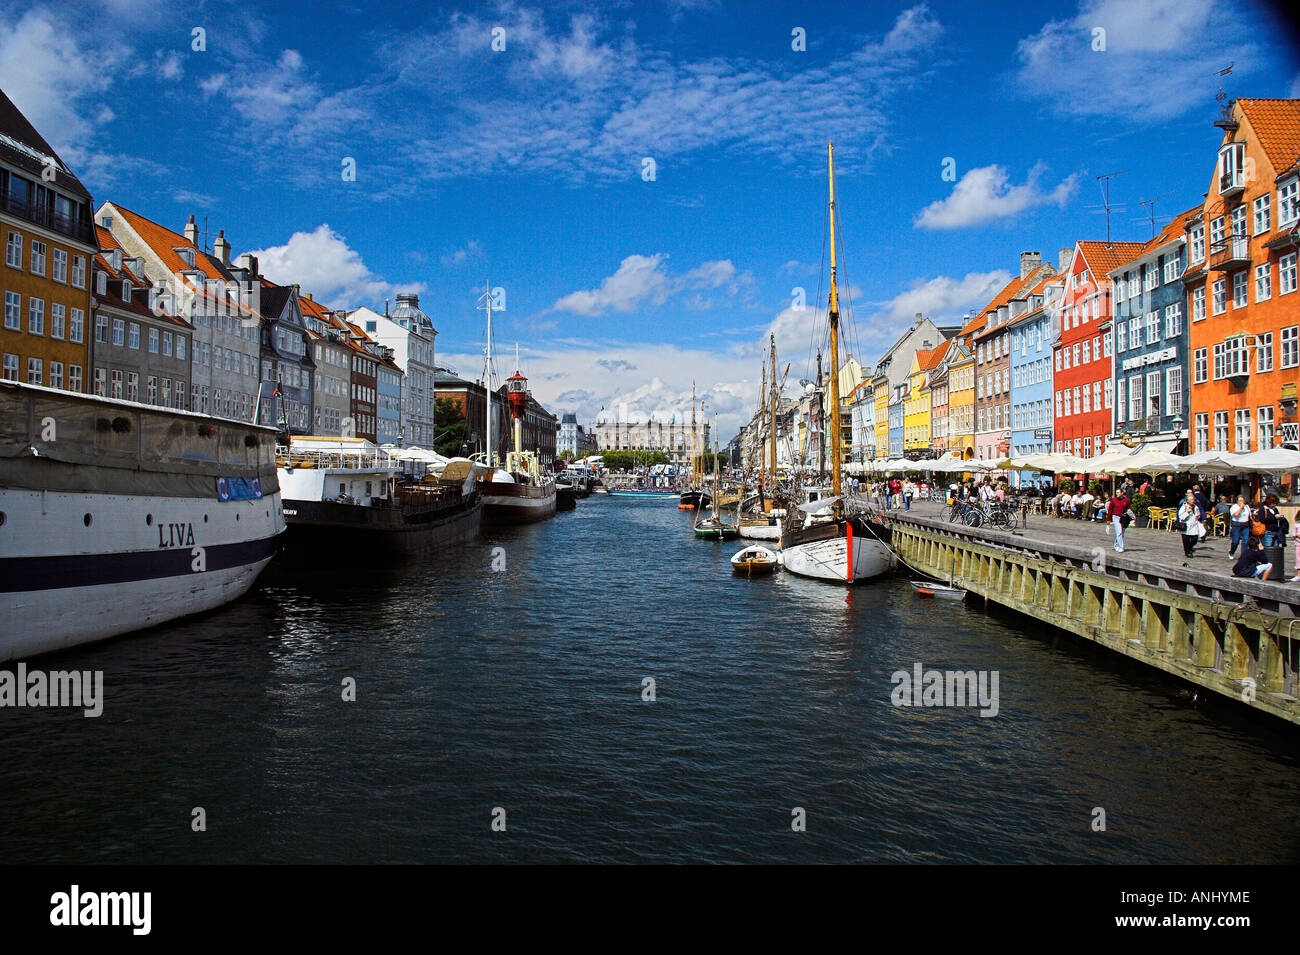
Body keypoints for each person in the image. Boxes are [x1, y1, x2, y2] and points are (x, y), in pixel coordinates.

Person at [1178, 490, 1205, 559]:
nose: (1193, 501)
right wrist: (1187, 512)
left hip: (1194, 525)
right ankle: (1187, 552)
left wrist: (1198, 516)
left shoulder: (1195, 507)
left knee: (1195, 539)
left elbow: (1197, 514)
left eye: (1193, 499)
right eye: (1191, 500)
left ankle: (1190, 548)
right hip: (1185, 526)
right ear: (1188, 501)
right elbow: (1181, 516)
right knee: (1186, 540)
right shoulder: (1184, 507)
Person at [1107, 488, 1131, 552]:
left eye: (1118, 492)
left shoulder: (1126, 500)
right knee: (1119, 532)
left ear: (1122, 493)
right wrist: (1108, 519)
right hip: (1115, 517)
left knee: (1121, 533)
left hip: (1123, 518)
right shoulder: (1113, 500)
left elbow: (1129, 508)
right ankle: (1121, 546)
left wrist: (1130, 516)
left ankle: (1116, 545)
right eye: (1116, 492)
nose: (1117, 494)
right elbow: (1110, 510)